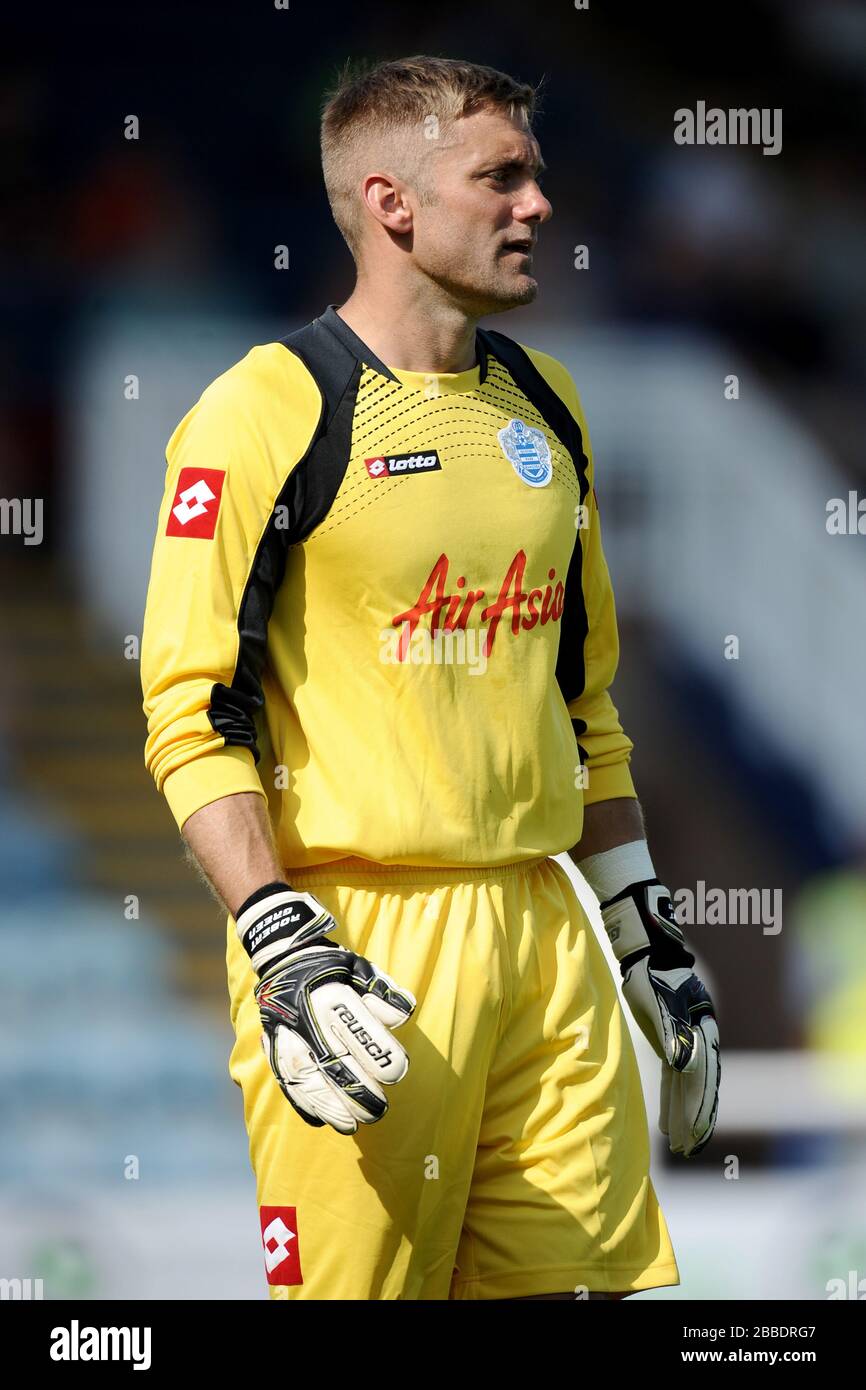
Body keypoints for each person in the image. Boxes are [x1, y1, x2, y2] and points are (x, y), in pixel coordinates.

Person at [141, 54, 719, 1302]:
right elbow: (190, 713)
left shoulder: (546, 405)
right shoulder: (264, 411)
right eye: (500, 176)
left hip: (546, 936)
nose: (538, 206)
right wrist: (280, 940)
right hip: (360, 951)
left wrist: (641, 928)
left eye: (537, 176)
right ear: (393, 203)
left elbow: (584, 707)